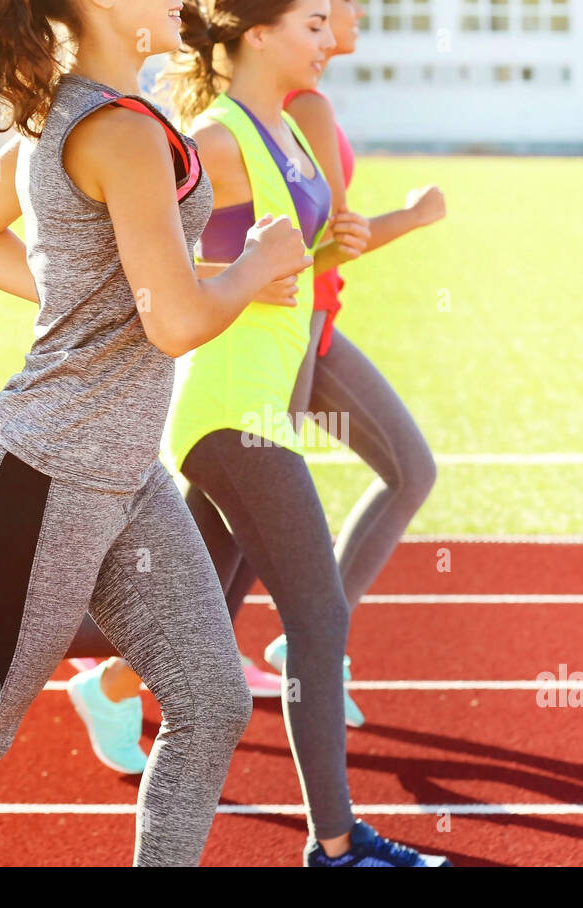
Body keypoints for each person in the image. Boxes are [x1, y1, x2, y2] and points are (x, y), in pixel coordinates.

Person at [0, 0, 309, 867]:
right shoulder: (116, 130)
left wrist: (90, 301)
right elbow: (176, 324)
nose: (180, 2)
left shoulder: (91, 112)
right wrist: (254, 266)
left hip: (126, 472)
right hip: (46, 465)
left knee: (210, 699)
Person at [156, 0, 450, 866]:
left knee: (183, 616)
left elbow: (295, 254)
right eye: (312, 25)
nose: (329, 41)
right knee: (318, 616)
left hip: (262, 404)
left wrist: (342, 239)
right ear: (257, 33)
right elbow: (132, 264)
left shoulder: (279, 131)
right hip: (226, 408)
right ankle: (336, 845)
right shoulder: (213, 139)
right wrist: (232, 273)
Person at [224, 0, 447, 727]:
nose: (345, 18)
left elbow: (313, 240)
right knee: (240, 532)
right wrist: (415, 218)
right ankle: (116, 678)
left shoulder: (294, 103)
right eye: (322, 14)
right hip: (294, 330)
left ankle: (308, 642)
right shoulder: (305, 107)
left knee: (243, 531)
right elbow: (332, 242)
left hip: (311, 327)